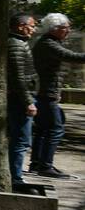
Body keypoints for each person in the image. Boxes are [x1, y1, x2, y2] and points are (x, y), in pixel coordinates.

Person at [30, 12, 85, 178]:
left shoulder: (48, 42)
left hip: (45, 92)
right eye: (66, 28)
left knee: (43, 129)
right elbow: (72, 56)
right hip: (47, 93)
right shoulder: (49, 44)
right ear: (55, 29)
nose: (68, 31)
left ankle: (37, 163)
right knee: (55, 128)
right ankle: (45, 166)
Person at [7, 12, 38, 185]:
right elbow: (18, 77)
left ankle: (16, 175)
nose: (34, 29)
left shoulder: (19, 43)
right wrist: (28, 101)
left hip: (22, 97)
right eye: (31, 26)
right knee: (21, 139)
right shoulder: (16, 45)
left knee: (22, 138)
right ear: (21, 26)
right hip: (19, 100)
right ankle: (16, 177)